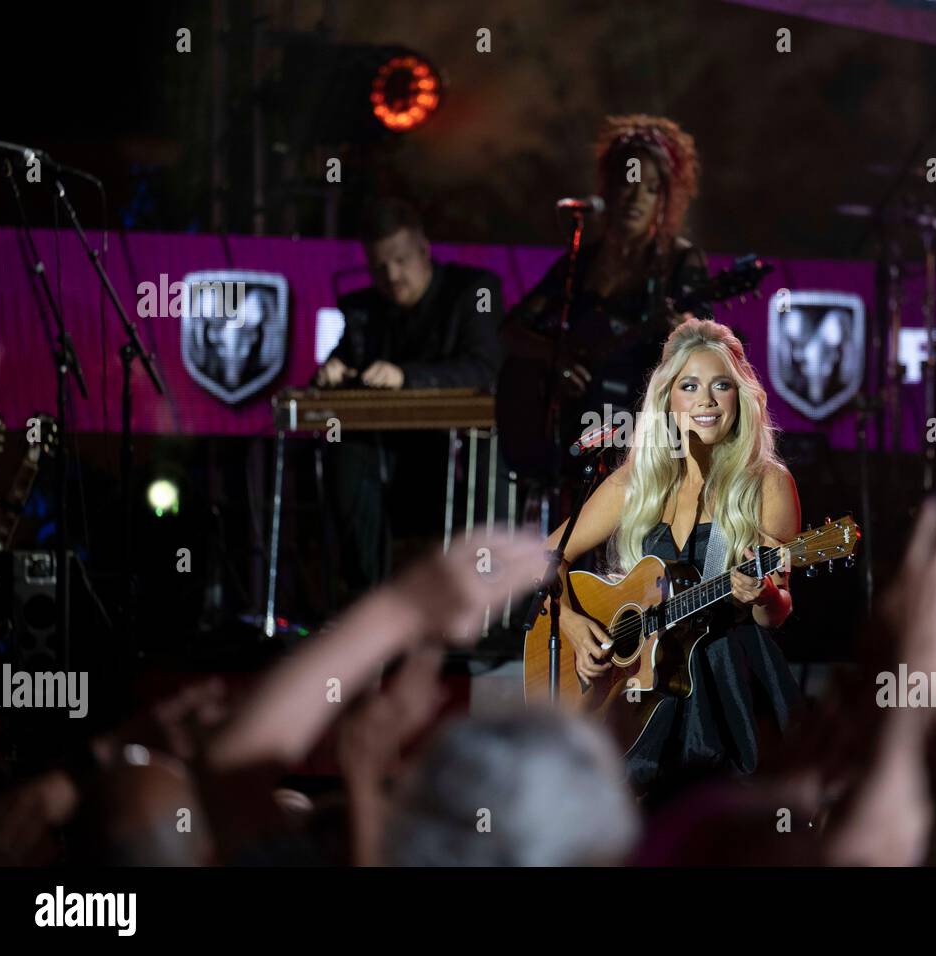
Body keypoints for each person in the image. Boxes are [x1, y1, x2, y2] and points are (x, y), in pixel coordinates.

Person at [540, 317, 803, 804]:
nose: (705, 400)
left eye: (720, 385)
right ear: (667, 400)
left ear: (739, 398)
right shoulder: (634, 483)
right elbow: (544, 558)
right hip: (641, 689)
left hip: (728, 687)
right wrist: (574, 625)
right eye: (689, 386)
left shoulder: (767, 483)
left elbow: (777, 613)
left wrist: (762, 592)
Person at [499, 114, 712, 494]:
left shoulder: (679, 262)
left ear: (665, 198)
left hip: (641, 433)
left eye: (650, 188)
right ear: (609, 188)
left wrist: (684, 333)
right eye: (627, 183)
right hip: (571, 431)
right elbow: (511, 330)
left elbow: (705, 349)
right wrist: (558, 358)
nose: (635, 198)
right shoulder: (581, 261)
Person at [313, 197, 504, 595]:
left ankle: (473, 606)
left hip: (456, 451)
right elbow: (346, 359)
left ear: (424, 250)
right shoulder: (364, 308)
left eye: (401, 260)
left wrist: (406, 376)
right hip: (387, 453)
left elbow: (484, 369)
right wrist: (333, 370)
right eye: (379, 266)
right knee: (343, 451)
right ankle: (367, 597)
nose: (391, 274)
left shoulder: (473, 292)